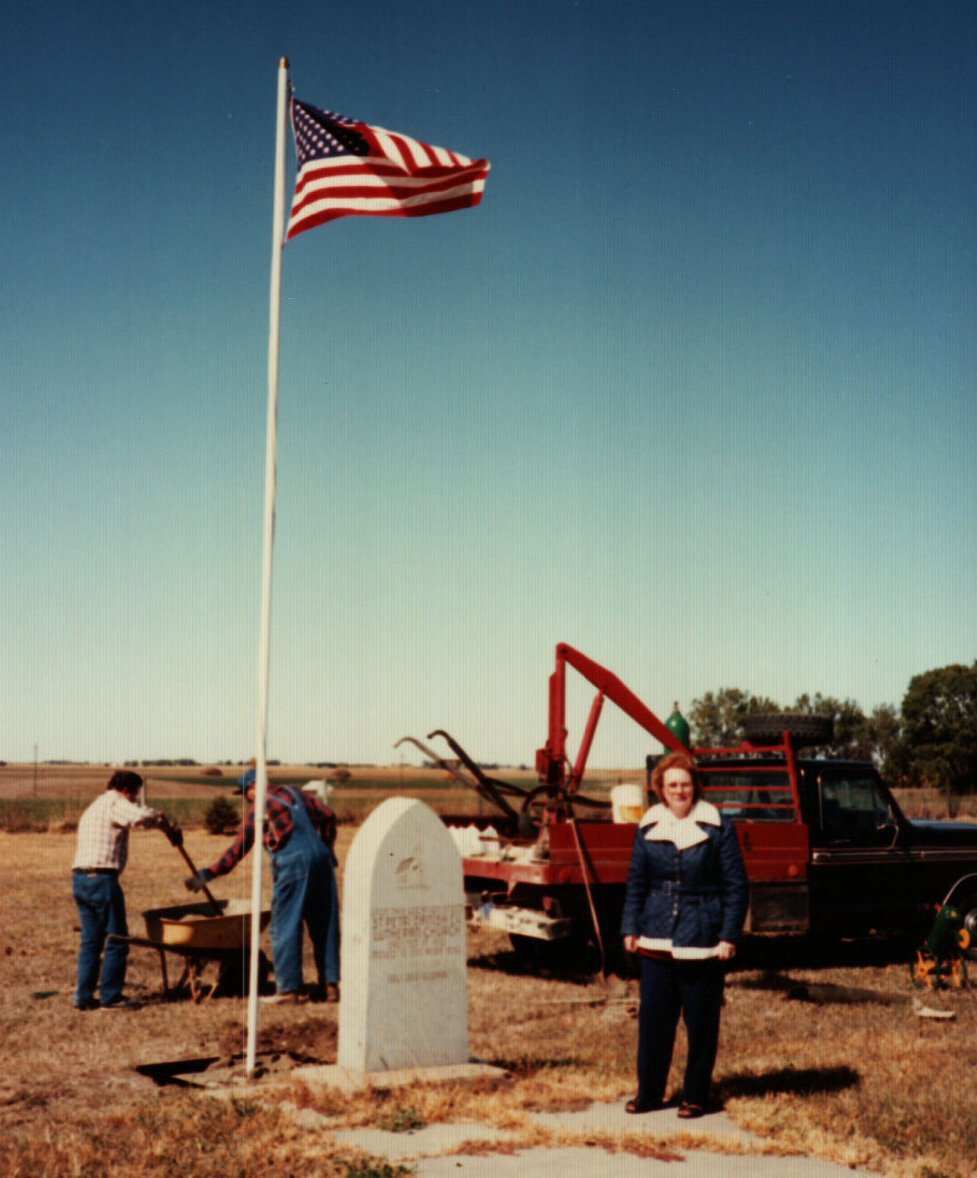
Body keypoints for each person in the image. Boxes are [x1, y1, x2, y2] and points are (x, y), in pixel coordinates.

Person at [620, 750, 749, 1118]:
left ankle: (696, 1095)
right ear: (660, 788)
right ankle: (649, 1093)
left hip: (703, 937)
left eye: (686, 784)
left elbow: (736, 886)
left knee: (701, 1022)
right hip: (655, 935)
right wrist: (630, 926)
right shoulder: (648, 826)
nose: (679, 790)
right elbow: (636, 882)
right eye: (672, 784)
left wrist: (729, 935)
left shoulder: (718, 827)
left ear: (696, 787)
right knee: (654, 1022)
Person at [186, 772, 340, 1004]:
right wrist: (326, 847)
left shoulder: (258, 807)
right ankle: (330, 986)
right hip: (322, 862)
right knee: (324, 925)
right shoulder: (297, 793)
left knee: (285, 925)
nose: (247, 799)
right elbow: (328, 815)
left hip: (293, 863)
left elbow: (239, 848)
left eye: (246, 794)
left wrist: (207, 874)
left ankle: (288, 990)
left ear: (252, 788)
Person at [72, 769, 183, 1011]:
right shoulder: (116, 802)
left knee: (91, 941)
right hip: (102, 880)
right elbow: (140, 816)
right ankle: (111, 997)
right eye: (135, 794)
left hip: (81, 880)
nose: (135, 798)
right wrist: (166, 823)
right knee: (117, 939)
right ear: (128, 790)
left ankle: (83, 998)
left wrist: (165, 830)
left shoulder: (96, 805)